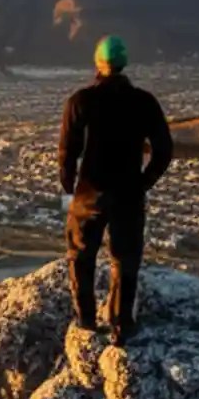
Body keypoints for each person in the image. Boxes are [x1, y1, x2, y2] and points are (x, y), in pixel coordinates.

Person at [59, 35, 172, 346]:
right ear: (124, 63)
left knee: (81, 257)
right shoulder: (144, 102)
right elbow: (164, 150)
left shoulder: (80, 101)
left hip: (88, 194)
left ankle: (85, 321)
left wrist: (70, 193)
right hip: (128, 194)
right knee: (124, 259)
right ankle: (121, 324)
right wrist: (143, 182)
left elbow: (67, 155)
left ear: (98, 63)